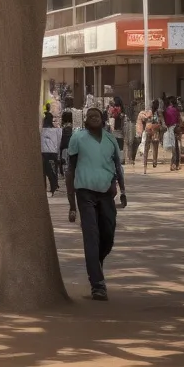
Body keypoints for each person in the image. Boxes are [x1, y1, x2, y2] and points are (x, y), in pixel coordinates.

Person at [67, 106, 127, 301]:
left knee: (108, 235)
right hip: (85, 193)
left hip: (106, 194)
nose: (93, 117)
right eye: (89, 115)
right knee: (91, 236)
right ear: (85, 120)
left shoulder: (110, 140)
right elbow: (70, 170)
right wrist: (71, 204)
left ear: (103, 119)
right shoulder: (77, 138)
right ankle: (98, 285)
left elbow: (118, 167)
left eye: (97, 115)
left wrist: (123, 190)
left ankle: (96, 260)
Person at [41, 112, 62, 196]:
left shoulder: (42, 130)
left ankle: (45, 187)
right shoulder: (56, 130)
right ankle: (54, 186)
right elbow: (59, 142)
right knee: (52, 171)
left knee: (45, 171)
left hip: (44, 153)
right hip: (53, 153)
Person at [164, 97, 182, 171]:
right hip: (176, 129)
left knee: (173, 147)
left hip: (169, 129)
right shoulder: (176, 110)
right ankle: (175, 164)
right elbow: (178, 120)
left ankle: (173, 164)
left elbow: (166, 121)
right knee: (177, 147)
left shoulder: (167, 110)